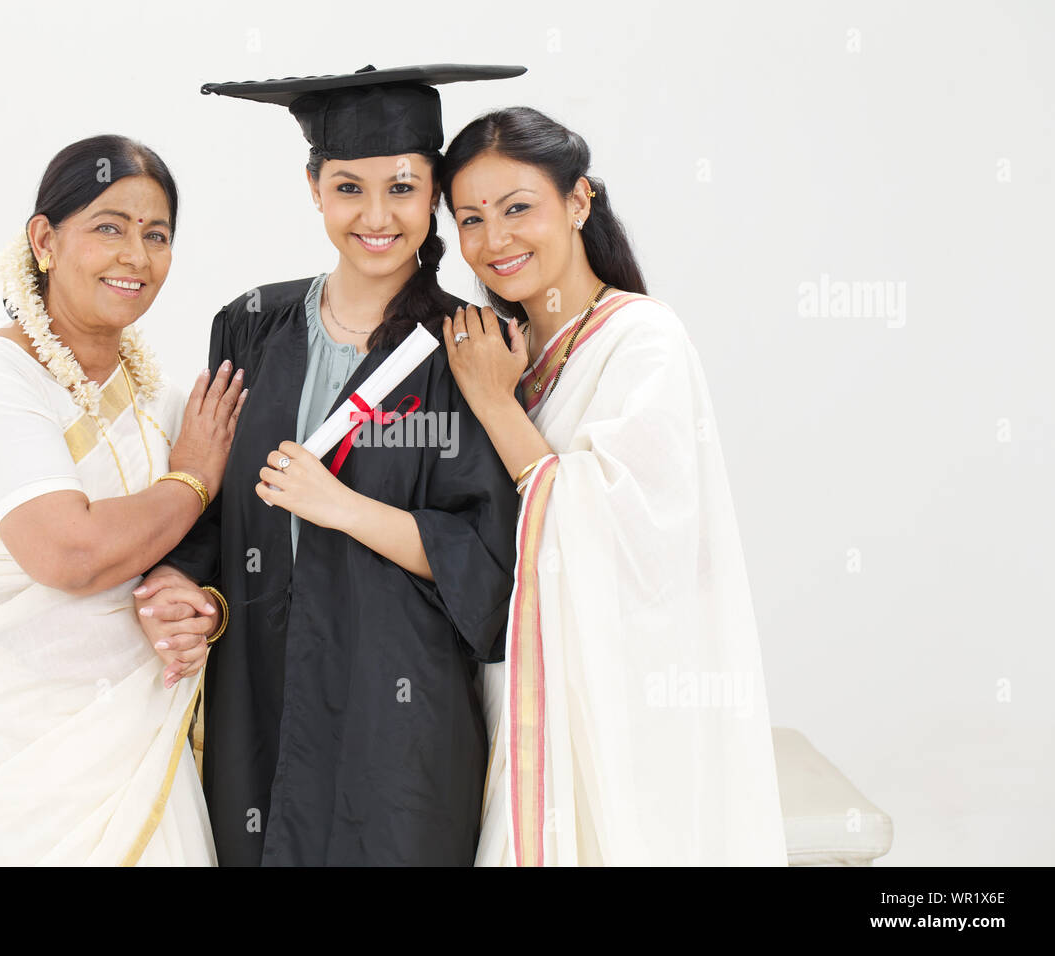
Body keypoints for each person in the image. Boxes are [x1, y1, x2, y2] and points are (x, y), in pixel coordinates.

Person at [133, 65, 524, 865]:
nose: (376, 217)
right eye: (348, 188)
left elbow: (491, 572)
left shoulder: (469, 346)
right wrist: (180, 581)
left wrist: (339, 505)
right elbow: (213, 509)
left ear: (434, 195)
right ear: (314, 189)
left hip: (399, 714)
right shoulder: (249, 326)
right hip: (260, 693)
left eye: (403, 189)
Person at [439, 107, 788, 865]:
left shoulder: (643, 340)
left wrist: (495, 405)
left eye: (517, 208)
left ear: (578, 202)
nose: (494, 240)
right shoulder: (505, 352)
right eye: (469, 218)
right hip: (519, 695)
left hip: (620, 709)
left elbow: (624, 536)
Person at [0, 134, 245, 865]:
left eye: (157, 235)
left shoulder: (166, 400)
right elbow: (69, 553)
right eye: (109, 227)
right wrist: (189, 480)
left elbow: (211, 547)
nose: (136, 255)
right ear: (45, 240)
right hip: (8, 733)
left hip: (137, 728)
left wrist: (197, 605)